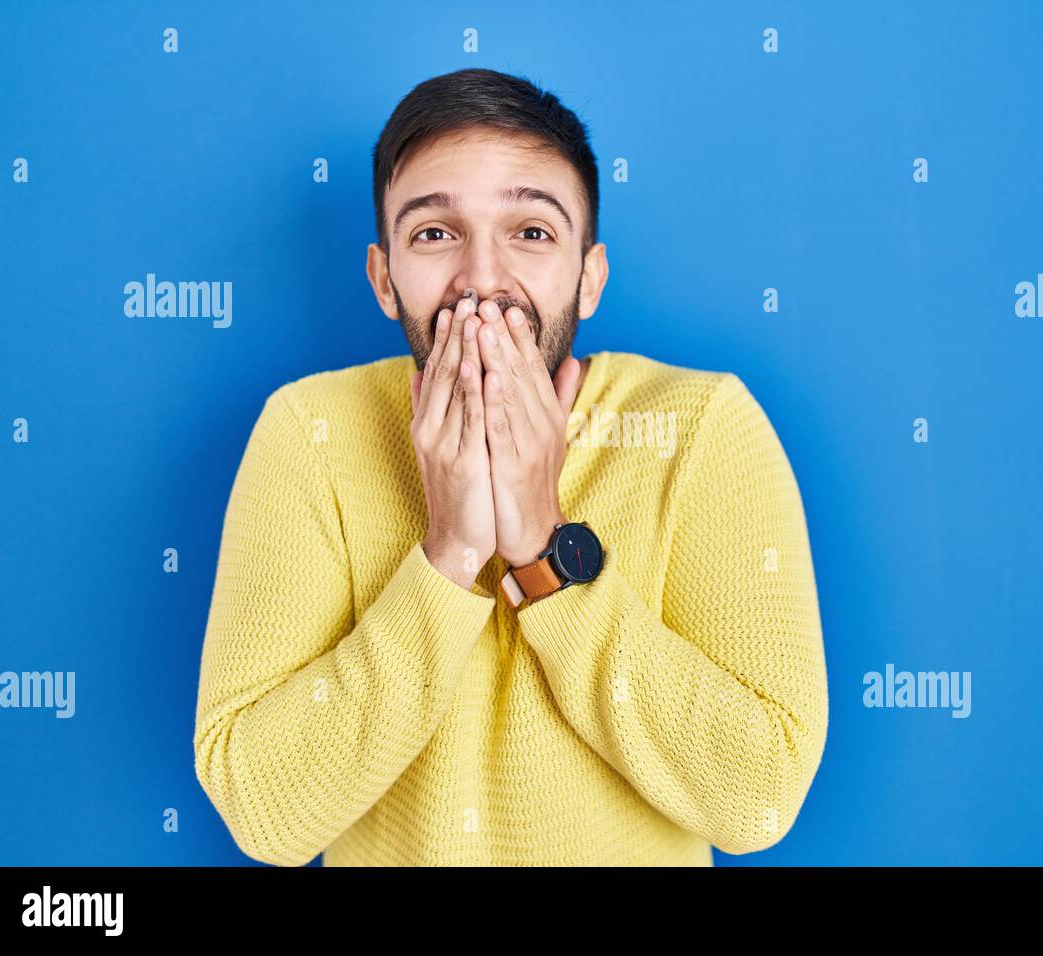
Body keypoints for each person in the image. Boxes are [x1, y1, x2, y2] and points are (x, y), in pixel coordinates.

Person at [192, 67, 829, 866]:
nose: (483, 281)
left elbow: (760, 795)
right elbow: (262, 811)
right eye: (434, 233)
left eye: (530, 232)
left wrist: (541, 544)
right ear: (384, 279)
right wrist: (451, 551)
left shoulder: (702, 429)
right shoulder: (309, 433)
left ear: (588, 277)